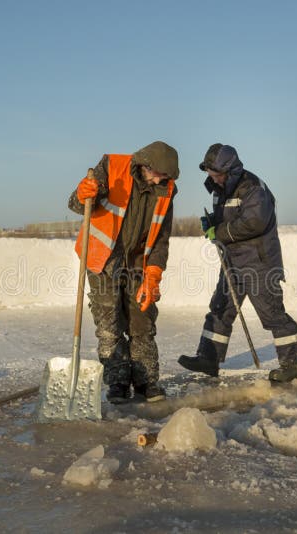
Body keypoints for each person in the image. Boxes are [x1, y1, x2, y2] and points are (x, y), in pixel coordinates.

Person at [178, 143, 297, 383]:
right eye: (210, 175)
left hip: (259, 262)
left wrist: (220, 232)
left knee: (272, 314)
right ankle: (208, 358)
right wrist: (211, 223)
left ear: (230, 170)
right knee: (220, 308)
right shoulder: (220, 190)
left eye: (216, 174)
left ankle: (292, 365)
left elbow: (254, 222)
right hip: (232, 261)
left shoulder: (253, 188)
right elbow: (224, 219)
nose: (213, 179)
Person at [68, 141, 179, 404]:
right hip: (103, 258)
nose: (160, 180)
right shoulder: (112, 166)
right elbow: (77, 204)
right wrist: (83, 194)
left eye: (166, 177)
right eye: (158, 174)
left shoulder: (166, 190)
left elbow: (161, 237)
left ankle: (145, 381)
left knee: (142, 320)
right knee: (109, 325)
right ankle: (117, 382)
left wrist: (154, 274)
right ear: (145, 165)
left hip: (139, 262)